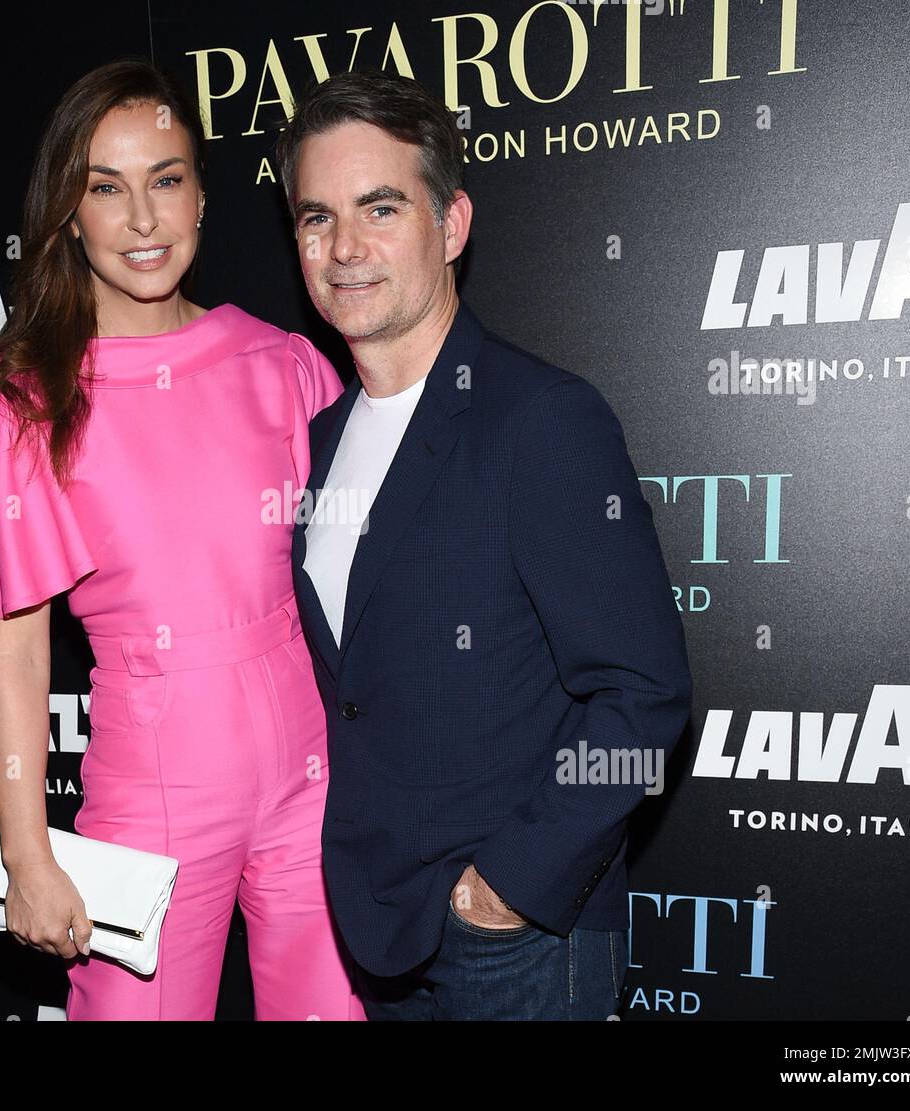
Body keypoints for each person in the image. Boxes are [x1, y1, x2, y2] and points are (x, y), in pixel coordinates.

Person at [0, 58, 364, 1021]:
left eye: (166, 179)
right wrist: (27, 855)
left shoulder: (284, 365)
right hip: (152, 798)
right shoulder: (22, 406)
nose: (145, 219)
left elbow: (364, 594)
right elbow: (19, 652)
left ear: (203, 192)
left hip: (313, 785)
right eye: (105, 190)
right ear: (67, 215)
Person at [274, 70, 693, 1020]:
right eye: (316, 216)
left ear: (451, 224)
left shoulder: (541, 419)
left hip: (515, 946)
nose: (344, 248)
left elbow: (646, 697)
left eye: (380, 207)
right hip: (381, 930)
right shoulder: (324, 440)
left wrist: (504, 888)